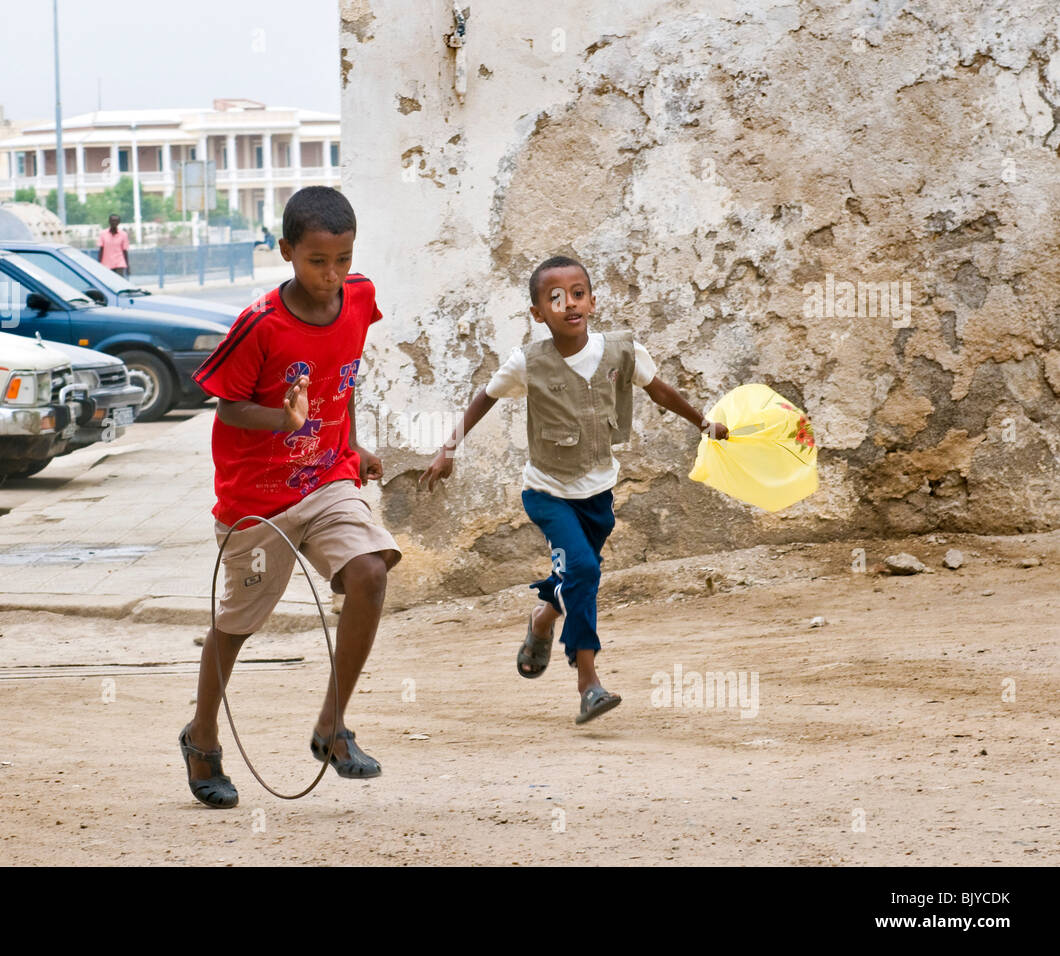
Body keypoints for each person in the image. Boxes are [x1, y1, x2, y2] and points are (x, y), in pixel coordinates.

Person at [419, 255, 729, 724]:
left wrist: (704, 423)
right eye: (555, 297)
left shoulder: (620, 352)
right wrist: (448, 449)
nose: (569, 304)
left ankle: (544, 619)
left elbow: (659, 391)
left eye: (578, 293)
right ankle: (589, 682)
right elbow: (486, 396)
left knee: (577, 577)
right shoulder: (530, 362)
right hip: (547, 493)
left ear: (593, 300)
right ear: (538, 313)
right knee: (583, 570)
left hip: (598, 494)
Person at [179, 186, 401, 808]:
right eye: (316, 262)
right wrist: (282, 421)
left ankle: (332, 727)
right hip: (257, 501)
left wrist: (352, 445)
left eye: (343, 259)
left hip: (328, 478)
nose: (331, 276)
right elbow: (227, 403)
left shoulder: (360, 298)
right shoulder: (260, 324)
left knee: (369, 572)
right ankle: (201, 738)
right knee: (237, 626)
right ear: (286, 253)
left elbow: (344, 375)